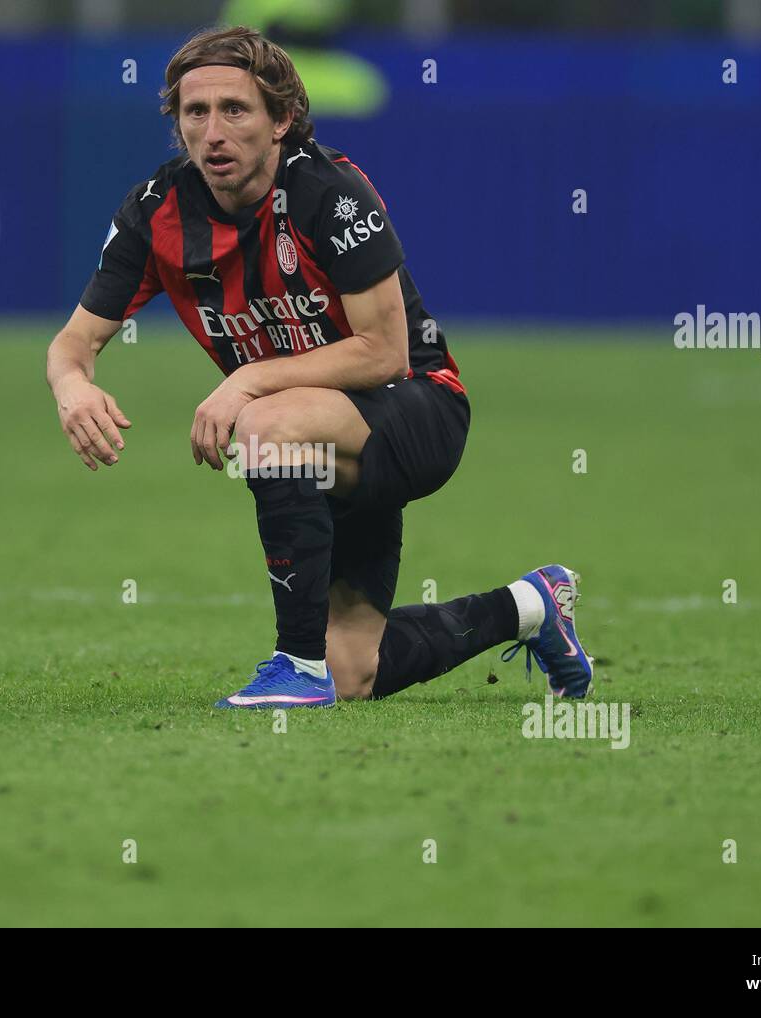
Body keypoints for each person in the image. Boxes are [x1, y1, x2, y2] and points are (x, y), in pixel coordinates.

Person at [45, 26, 593, 708]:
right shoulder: (156, 212)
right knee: (356, 671)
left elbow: (383, 352)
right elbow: (73, 344)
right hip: (318, 436)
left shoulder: (329, 192)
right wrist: (72, 387)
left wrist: (245, 380)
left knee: (264, 424)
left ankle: (294, 667)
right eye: (195, 112)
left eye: (235, 110)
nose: (213, 132)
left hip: (415, 406)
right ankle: (532, 607)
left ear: (281, 121)